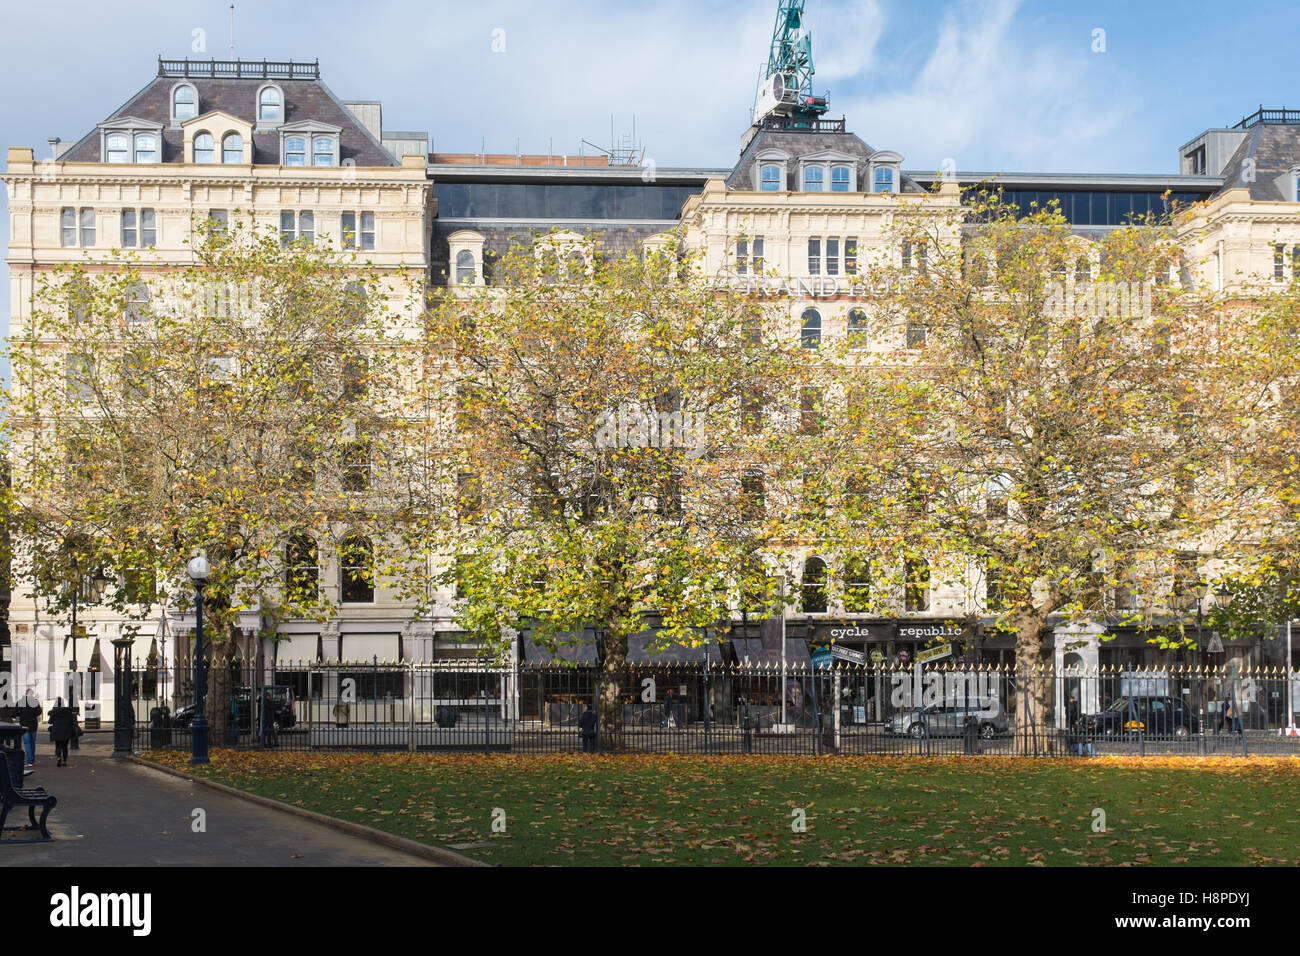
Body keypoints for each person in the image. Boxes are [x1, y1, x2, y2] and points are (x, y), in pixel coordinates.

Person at [16, 688, 43, 767]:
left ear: (26, 693)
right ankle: (32, 760)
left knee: (27, 743)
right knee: (32, 742)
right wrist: (33, 714)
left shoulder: (21, 701)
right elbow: (39, 711)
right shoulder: (35, 701)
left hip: (24, 724)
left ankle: (30, 760)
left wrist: (21, 714)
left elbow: (15, 711)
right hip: (33, 724)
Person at [48, 697, 77, 767]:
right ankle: (64, 761)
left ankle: (59, 757)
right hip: (66, 730)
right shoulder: (68, 711)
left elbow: (50, 722)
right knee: (65, 746)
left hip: (57, 730)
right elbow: (72, 720)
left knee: (58, 745)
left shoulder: (54, 711)